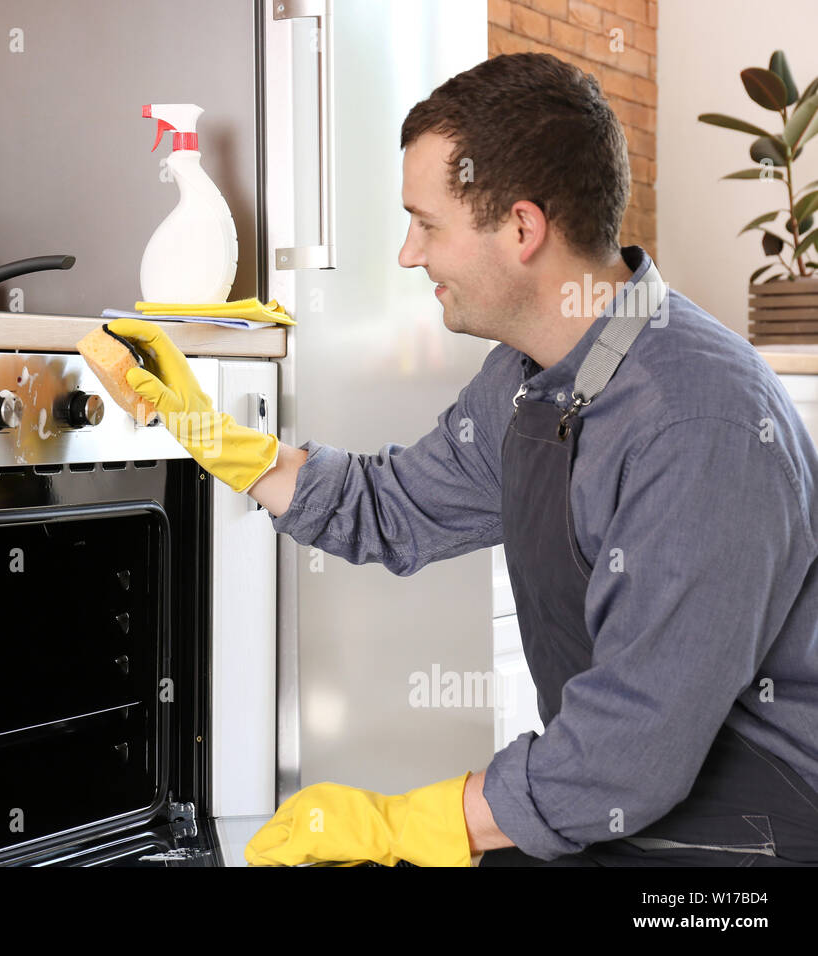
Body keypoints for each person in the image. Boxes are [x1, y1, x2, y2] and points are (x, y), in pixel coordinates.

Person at [105, 52, 818, 867]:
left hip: (751, 843)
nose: (410, 255)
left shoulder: (699, 423)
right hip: (628, 810)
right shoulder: (531, 377)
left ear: (521, 229)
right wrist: (214, 436)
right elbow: (394, 508)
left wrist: (405, 824)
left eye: (427, 223)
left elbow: (630, 748)